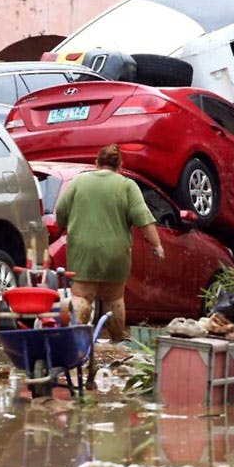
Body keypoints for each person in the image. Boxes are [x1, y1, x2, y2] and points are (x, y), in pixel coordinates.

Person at [54, 144, 163, 341]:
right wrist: (157, 245)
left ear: (96, 163)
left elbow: (60, 212)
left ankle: (75, 343)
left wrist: (63, 225)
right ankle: (117, 342)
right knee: (114, 300)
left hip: (82, 251)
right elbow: (143, 218)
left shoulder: (79, 181)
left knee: (81, 297)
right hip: (116, 253)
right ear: (120, 165)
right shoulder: (127, 185)